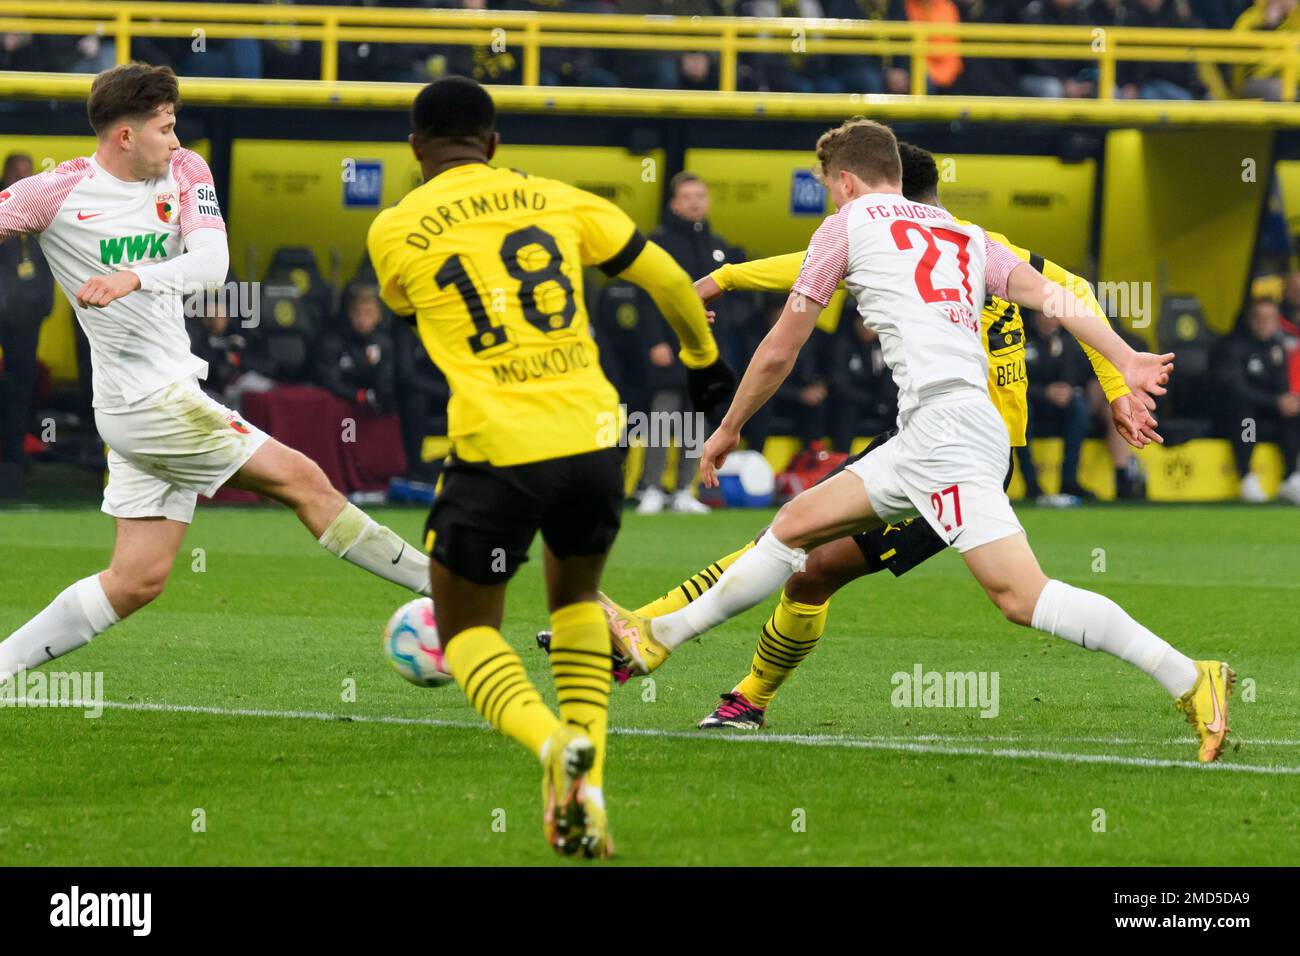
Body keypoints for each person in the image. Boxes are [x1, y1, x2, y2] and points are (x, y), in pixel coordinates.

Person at [598, 118, 1235, 765]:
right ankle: (658, 637)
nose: (830, 199)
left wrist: (728, 426)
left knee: (1022, 596)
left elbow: (779, 350)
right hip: (948, 428)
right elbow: (1054, 295)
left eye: (827, 187)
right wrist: (1124, 358)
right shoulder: (967, 235)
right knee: (794, 526)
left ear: (844, 180)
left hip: (944, 439)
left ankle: (1190, 677)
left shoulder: (848, 223)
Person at [365, 76, 731, 858]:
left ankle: (546, 745)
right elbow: (666, 275)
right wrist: (703, 364)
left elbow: (407, 308)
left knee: (465, 630)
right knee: (576, 605)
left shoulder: (395, 228)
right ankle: (586, 793)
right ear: (495, 144)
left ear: (414, 149)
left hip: (499, 446)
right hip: (598, 439)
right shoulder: (560, 199)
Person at [0, 65, 434, 701]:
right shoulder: (57, 191)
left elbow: (212, 264)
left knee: (136, 580)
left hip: (161, 397)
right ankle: (450, 590)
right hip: (149, 404)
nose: (176, 140)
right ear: (123, 135)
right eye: (165, 127)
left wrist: (134, 278)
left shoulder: (186, 171)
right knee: (304, 481)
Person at [638, 172, 748, 514]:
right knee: (663, 415)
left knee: (698, 416)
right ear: (674, 203)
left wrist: (727, 327)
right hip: (671, 345)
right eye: (687, 197)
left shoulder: (718, 245)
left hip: (709, 348)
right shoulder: (659, 242)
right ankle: (651, 487)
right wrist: (655, 339)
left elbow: (734, 297)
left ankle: (685, 489)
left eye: (700, 195)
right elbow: (649, 294)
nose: (695, 202)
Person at [0, 152, 55, 490]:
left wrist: (43, 304)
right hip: (4, 311)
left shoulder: (41, 214)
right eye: (17, 172)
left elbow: (49, 263)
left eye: (28, 173)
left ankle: (13, 461)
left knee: (21, 386)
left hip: (25, 319)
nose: (23, 178)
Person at [1224, 298, 1300, 503]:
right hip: (1242, 416)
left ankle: (1291, 476)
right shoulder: (1235, 347)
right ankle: (1246, 475)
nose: (1263, 323)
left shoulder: (1277, 349)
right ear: (1250, 320)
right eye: (1259, 318)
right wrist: (1275, 402)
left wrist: (1287, 401)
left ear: (1276, 322)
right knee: (1246, 418)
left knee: (1293, 414)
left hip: (1270, 413)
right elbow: (1237, 390)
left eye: (1269, 319)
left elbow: (1282, 386)